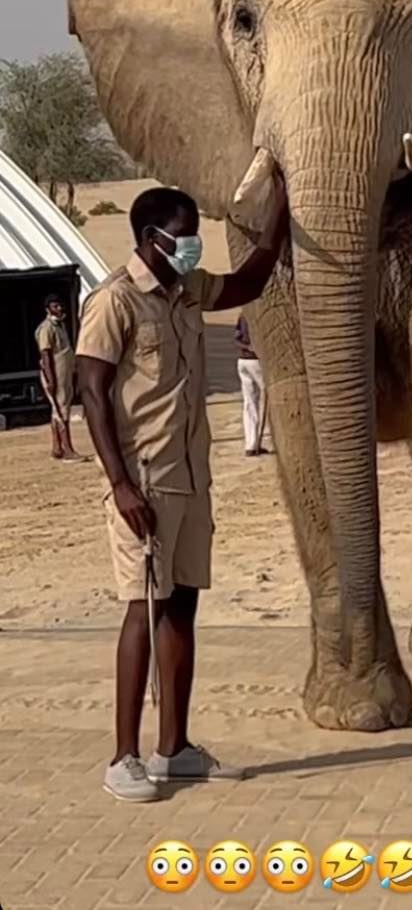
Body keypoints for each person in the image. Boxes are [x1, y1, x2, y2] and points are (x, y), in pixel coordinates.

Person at [76, 179, 287, 802]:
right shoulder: (115, 303)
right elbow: (91, 392)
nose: (192, 246)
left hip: (192, 476)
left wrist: (278, 220)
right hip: (142, 481)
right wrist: (119, 483)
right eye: (184, 235)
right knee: (143, 606)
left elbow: (245, 284)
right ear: (151, 238)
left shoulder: (186, 290)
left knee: (183, 603)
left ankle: (176, 749)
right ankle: (123, 757)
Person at [35, 294, 80, 460]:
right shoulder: (46, 328)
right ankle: (67, 448)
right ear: (48, 309)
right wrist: (51, 378)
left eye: (59, 305)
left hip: (65, 373)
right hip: (56, 375)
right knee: (62, 411)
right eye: (55, 306)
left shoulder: (60, 326)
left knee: (58, 410)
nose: (59, 309)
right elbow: (46, 354)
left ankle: (57, 448)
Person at [235, 313, 267, 456]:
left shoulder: (244, 315)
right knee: (267, 398)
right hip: (256, 361)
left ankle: (251, 444)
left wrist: (246, 347)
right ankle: (259, 440)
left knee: (249, 402)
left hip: (242, 361)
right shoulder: (260, 315)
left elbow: (236, 339)